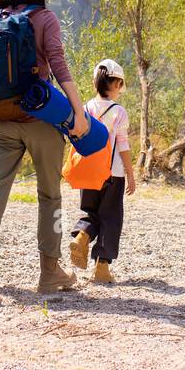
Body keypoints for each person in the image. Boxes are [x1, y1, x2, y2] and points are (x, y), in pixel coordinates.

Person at [0, 0, 90, 304]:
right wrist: (78, 113)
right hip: (41, 119)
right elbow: (60, 66)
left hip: (1, 119)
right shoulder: (44, 18)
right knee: (50, 197)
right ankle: (50, 272)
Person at [68, 59, 135, 284]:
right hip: (112, 173)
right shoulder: (119, 112)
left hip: (88, 170)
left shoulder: (84, 107)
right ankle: (102, 269)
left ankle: (82, 235)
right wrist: (131, 173)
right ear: (115, 84)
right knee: (111, 218)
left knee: (90, 211)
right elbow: (123, 145)